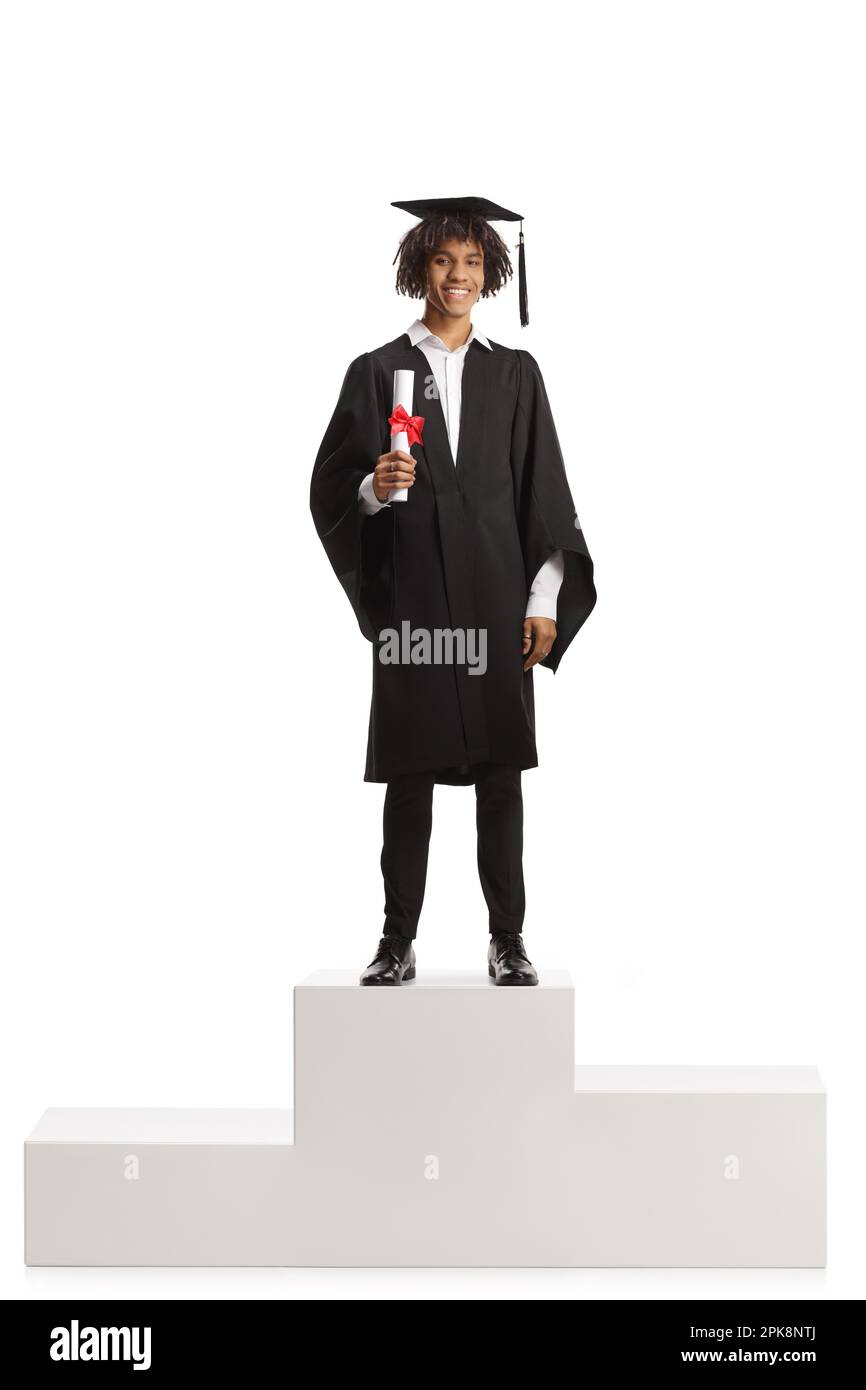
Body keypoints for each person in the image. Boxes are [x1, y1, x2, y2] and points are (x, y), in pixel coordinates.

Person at [309, 197, 596, 987]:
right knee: (409, 774)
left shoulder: (515, 373)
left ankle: (509, 939)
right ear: (418, 270)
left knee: (501, 774)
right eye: (443, 261)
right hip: (414, 603)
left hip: (498, 601)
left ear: (491, 272)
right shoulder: (375, 372)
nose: (458, 276)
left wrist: (544, 600)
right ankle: (396, 941)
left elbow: (545, 493)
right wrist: (373, 485)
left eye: (472, 261)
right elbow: (332, 486)